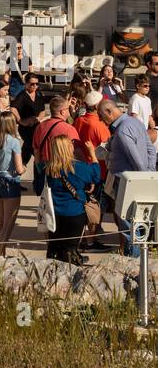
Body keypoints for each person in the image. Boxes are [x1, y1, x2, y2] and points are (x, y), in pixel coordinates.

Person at [98, 98, 158, 257]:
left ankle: (134, 263)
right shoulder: (135, 122)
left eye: (101, 115)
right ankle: (138, 262)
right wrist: (149, 175)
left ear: (109, 112)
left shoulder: (123, 130)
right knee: (137, 225)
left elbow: (137, 160)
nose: (101, 120)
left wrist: (144, 178)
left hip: (126, 183)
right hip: (135, 180)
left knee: (129, 228)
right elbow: (151, 151)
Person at [44, 135, 102, 264]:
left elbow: (38, 186)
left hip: (54, 212)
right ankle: (73, 263)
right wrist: (92, 154)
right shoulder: (79, 167)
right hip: (74, 212)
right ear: (68, 148)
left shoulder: (48, 168)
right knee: (70, 247)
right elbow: (96, 176)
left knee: (54, 246)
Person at [77, 90, 112, 250]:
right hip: (97, 171)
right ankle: (90, 241)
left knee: (84, 205)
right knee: (94, 208)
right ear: (97, 106)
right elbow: (107, 149)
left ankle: (86, 238)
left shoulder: (79, 120)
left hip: (80, 168)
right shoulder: (99, 125)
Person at [0, 109, 24, 257]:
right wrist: (24, 168)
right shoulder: (14, 142)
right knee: (9, 222)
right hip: (10, 181)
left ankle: (1, 252)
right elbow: (19, 168)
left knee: (2, 220)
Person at [12, 73, 45, 167]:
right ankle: (36, 165)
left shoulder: (39, 95)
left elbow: (42, 111)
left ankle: (21, 164)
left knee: (28, 147)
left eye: (36, 84)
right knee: (32, 146)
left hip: (36, 127)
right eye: (32, 84)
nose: (34, 86)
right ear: (26, 84)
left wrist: (38, 119)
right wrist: (20, 120)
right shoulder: (22, 95)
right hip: (25, 128)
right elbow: (13, 108)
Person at [129, 74, 157, 141]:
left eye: (149, 86)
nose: (148, 88)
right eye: (145, 86)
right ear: (138, 86)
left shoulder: (148, 99)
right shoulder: (135, 99)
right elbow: (133, 118)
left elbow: (150, 118)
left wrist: (155, 131)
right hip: (136, 132)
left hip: (145, 132)